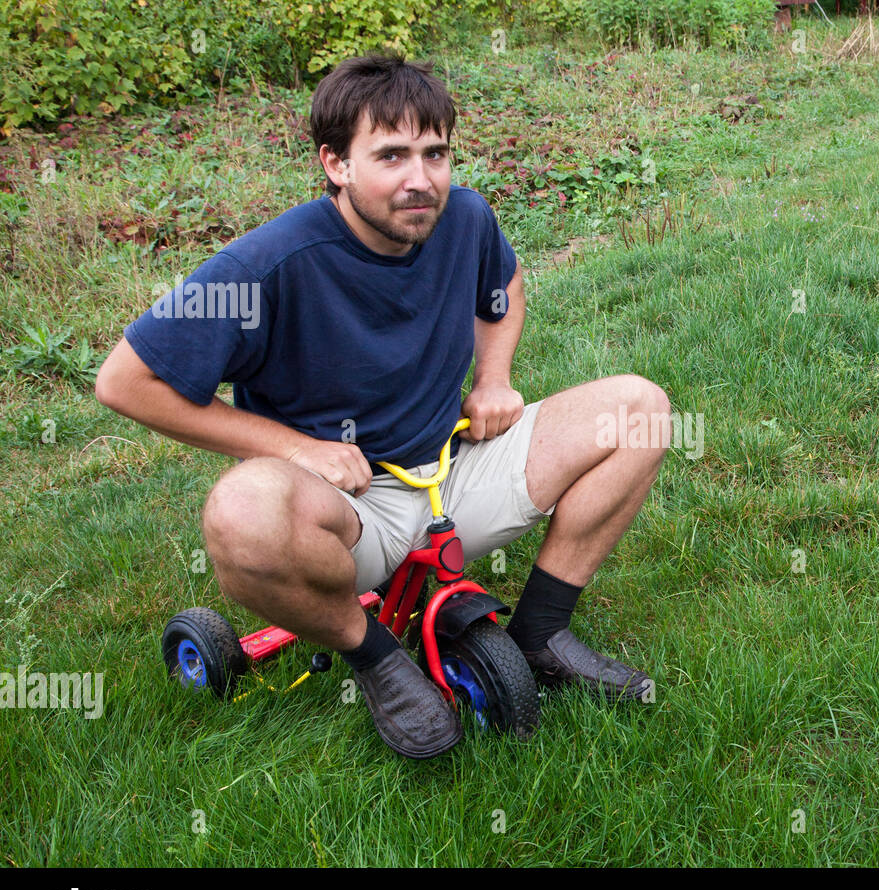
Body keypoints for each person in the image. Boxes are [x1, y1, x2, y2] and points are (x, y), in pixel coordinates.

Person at [94, 53, 669, 759]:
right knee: (240, 511)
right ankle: (377, 660)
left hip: (451, 476)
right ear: (336, 164)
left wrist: (494, 376)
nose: (420, 179)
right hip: (345, 515)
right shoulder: (266, 268)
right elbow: (123, 382)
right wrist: (298, 450)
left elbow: (504, 285)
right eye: (391, 155)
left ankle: (542, 633)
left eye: (436, 153)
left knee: (639, 406)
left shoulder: (464, 218)